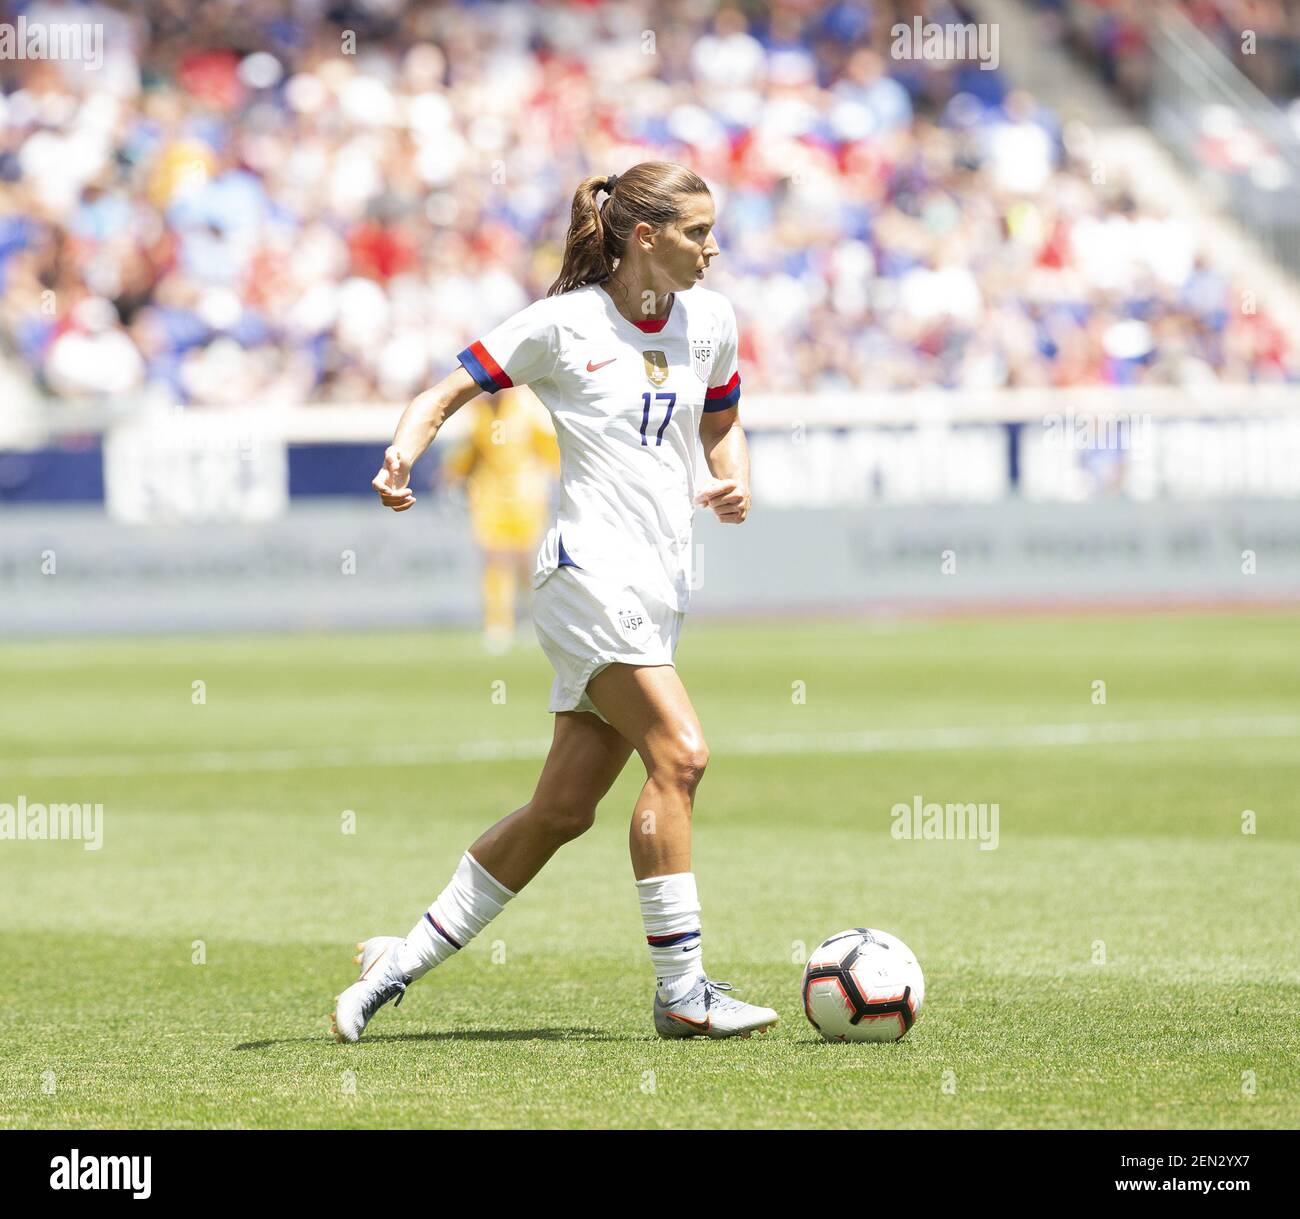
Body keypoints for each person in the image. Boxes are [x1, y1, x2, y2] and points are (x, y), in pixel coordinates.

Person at [334, 161, 776, 1042]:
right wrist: (401, 452)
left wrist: (732, 480)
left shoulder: (712, 322)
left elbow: (722, 420)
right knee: (682, 755)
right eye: (696, 232)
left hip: (658, 587)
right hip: (587, 576)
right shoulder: (565, 325)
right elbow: (446, 388)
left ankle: (399, 961)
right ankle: (683, 992)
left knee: (562, 811)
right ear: (644, 236)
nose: (713, 247)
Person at [442, 388, 560, 651]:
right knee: (494, 559)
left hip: (525, 494)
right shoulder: (477, 414)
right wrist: (452, 473)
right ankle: (498, 623)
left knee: (527, 561)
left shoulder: (528, 408)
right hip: (489, 495)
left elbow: (550, 450)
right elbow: (467, 454)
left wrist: (560, 478)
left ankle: (535, 619)